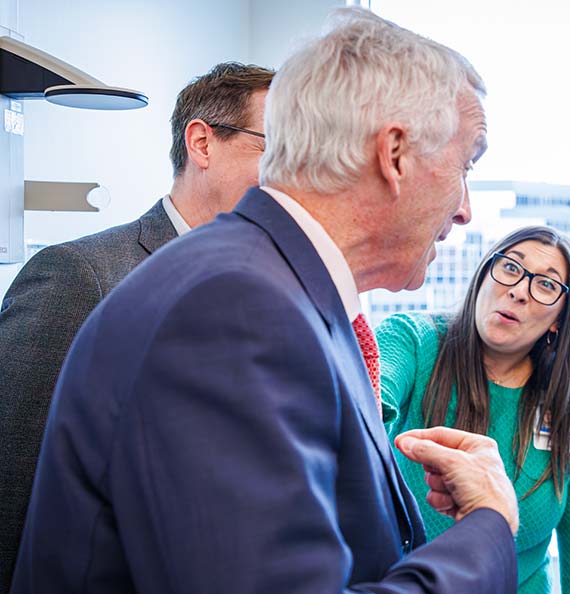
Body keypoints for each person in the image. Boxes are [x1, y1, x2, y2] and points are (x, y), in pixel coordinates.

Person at [11, 8, 520, 593]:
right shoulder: (233, 309)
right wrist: (488, 527)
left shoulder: (283, 293)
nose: (464, 209)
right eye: (465, 167)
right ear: (395, 154)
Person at [0, 61, 272, 593]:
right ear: (202, 143)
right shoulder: (81, 277)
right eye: (277, 147)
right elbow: (11, 481)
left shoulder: (267, 288)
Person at [377, 226, 570, 594]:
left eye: (546, 286)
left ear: (557, 321)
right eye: (510, 268)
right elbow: (366, 392)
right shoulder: (414, 338)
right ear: (483, 276)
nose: (519, 290)